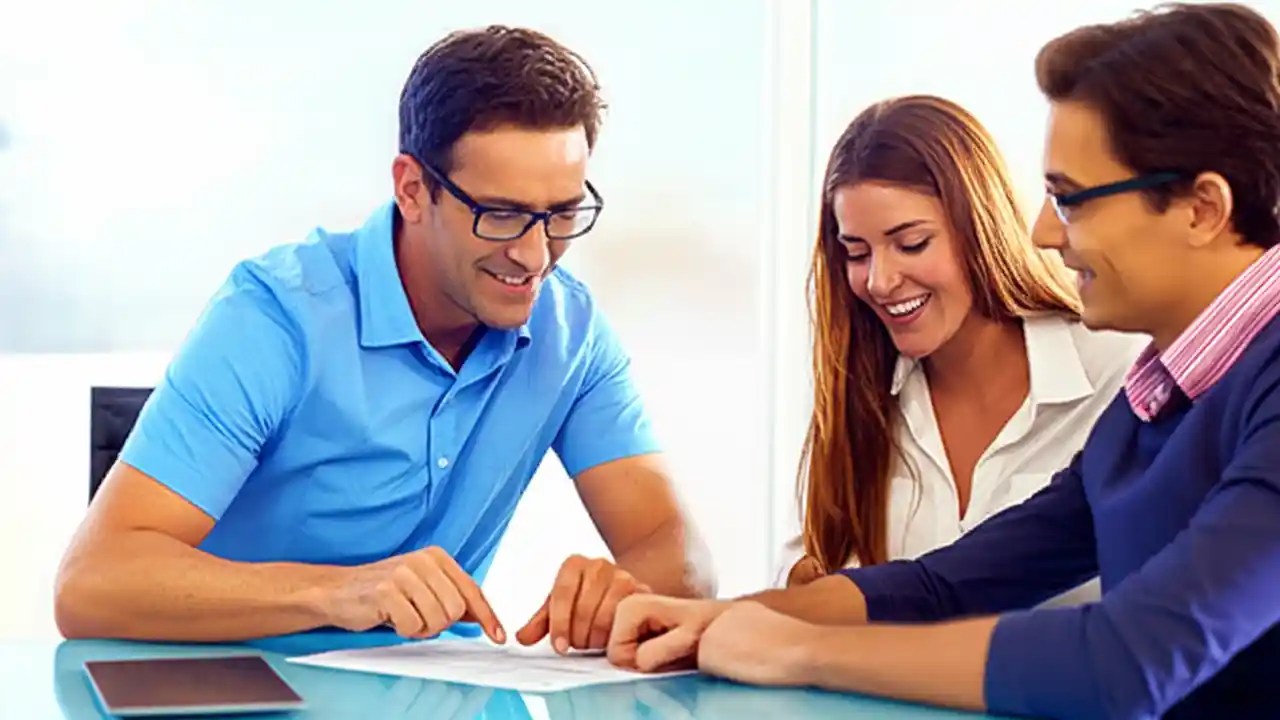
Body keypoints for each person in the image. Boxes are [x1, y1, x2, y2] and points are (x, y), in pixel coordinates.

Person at [607, 3, 1280, 718]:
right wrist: (722, 619)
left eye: (1071, 200)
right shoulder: (1155, 400)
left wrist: (799, 652)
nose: (1043, 232)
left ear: (1203, 208)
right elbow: (945, 585)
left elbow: (1132, 658)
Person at [53, 25, 714, 654]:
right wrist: (338, 592)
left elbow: (677, 553)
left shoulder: (569, 332)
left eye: (563, 214)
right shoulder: (276, 318)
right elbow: (90, 586)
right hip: (237, 691)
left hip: (431, 693)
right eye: (502, 215)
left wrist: (624, 589)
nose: (536, 254)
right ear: (412, 188)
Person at [777, 95, 1144, 593]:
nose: (880, 282)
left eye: (911, 244)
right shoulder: (855, 393)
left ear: (981, 228)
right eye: (857, 253)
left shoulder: (1122, 376)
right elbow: (808, 569)